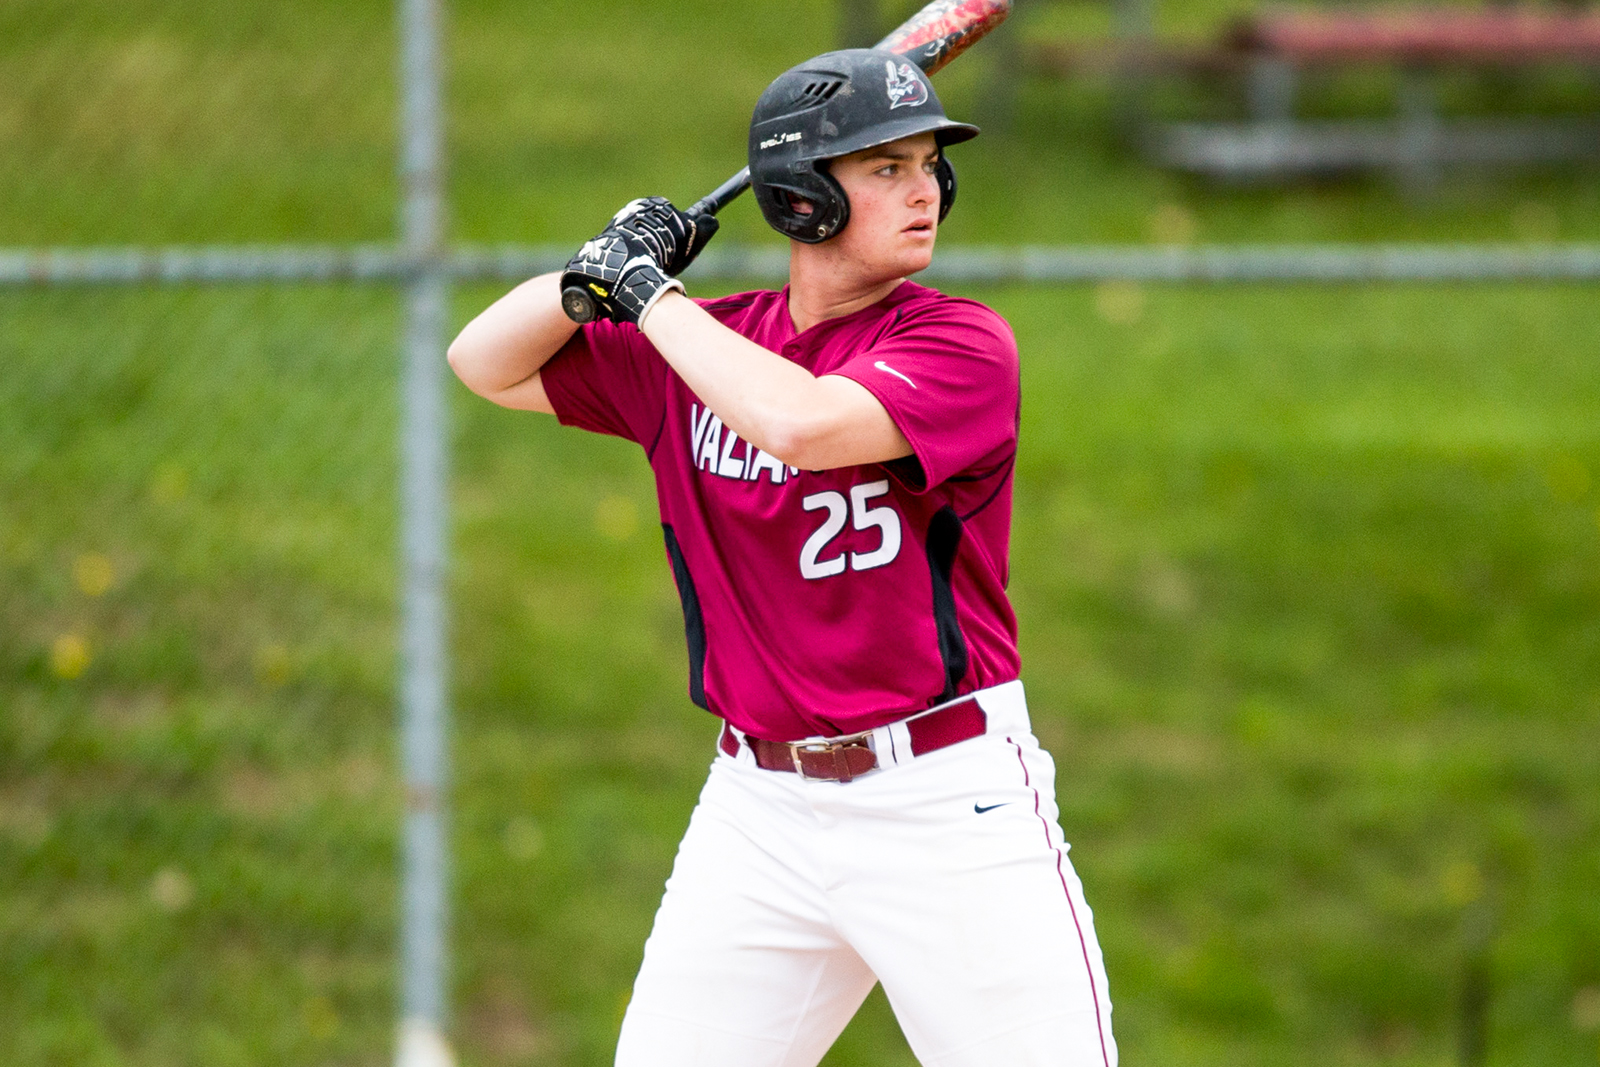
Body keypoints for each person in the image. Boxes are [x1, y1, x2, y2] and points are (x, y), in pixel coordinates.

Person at [448, 49, 1117, 1067]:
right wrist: (589, 275)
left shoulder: (961, 343)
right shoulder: (708, 344)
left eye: (929, 163)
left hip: (944, 802)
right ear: (800, 200)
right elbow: (482, 361)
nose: (924, 189)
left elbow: (798, 423)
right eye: (883, 167)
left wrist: (650, 296)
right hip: (758, 809)